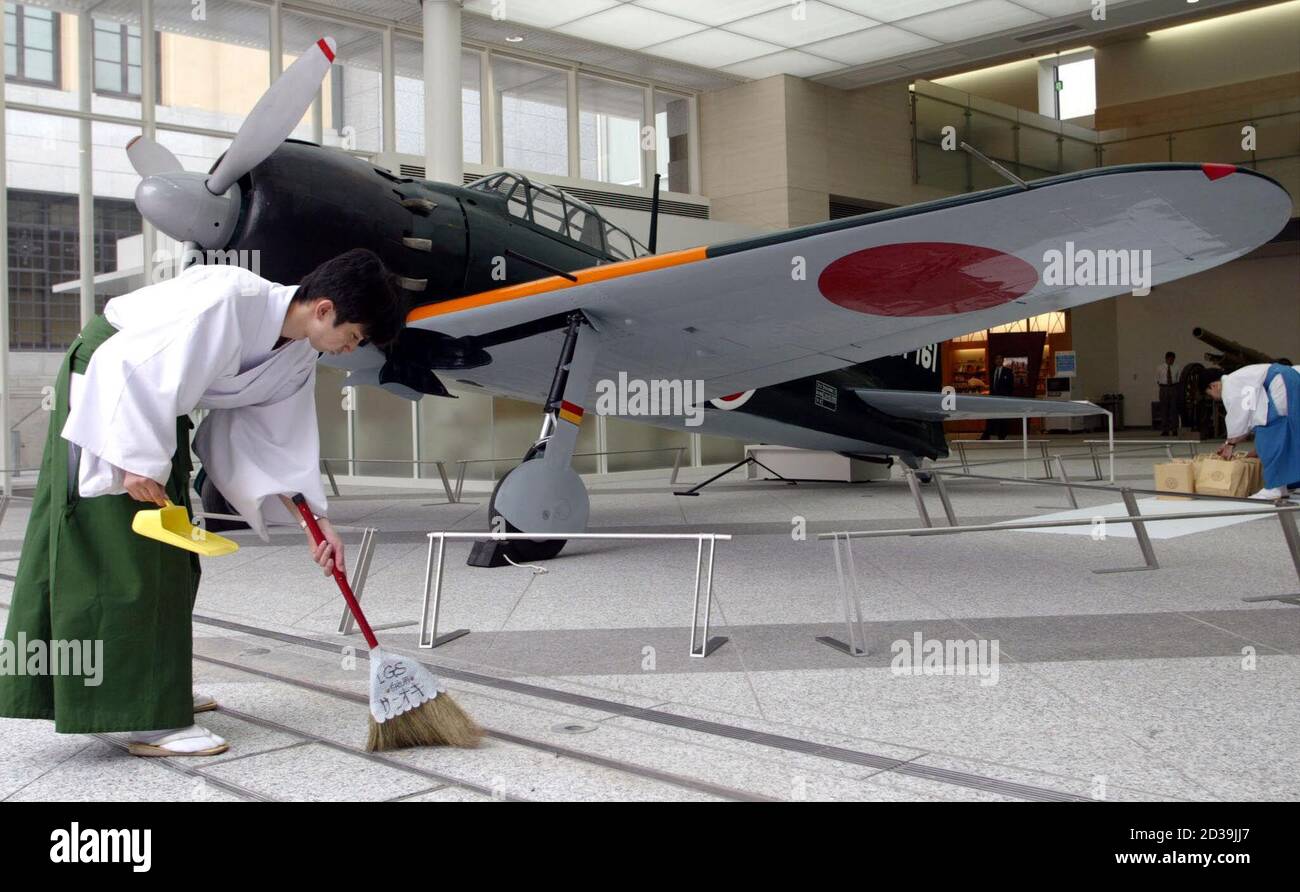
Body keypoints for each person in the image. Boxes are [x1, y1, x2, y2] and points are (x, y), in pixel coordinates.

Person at [0, 249, 405, 756]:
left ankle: (157, 686)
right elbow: (128, 363)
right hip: (110, 398)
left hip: (154, 414)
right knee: (120, 555)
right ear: (325, 309)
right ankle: (147, 715)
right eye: (355, 336)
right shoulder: (227, 300)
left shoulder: (300, 354)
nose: (351, 348)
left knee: (174, 557)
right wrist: (134, 459)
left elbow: (275, 441)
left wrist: (315, 522)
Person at [1204, 363, 1300, 500]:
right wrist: (1230, 442)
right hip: (1289, 379)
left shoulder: (1229, 387)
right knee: (1285, 432)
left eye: (1210, 395)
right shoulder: (1236, 379)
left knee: (1268, 432)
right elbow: (1248, 417)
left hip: (1280, 382)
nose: (1213, 398)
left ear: (1213, 386)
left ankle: (1274, 488)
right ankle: (1281, 486)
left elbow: (1239, 418)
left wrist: (1230, 444)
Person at [980, 355, 1015, 440]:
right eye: (997, 359)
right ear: (995, 361)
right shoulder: (992, 371)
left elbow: (1011, 387)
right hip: (993, 398)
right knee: (991, 416)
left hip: (1003, 399)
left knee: (1003, 417)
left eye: (1000, 358)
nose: (998, 360)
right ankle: (987, 435)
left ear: (1003, 360)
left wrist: (1007, 398)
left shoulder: (1008, 371)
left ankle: (1002, 435)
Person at [1156, 351, 1182, 436]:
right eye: (1170, 359)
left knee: (1174, 409)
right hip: (1163, 388)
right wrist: (1163, 386)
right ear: (1166, 359)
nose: (1172, 361)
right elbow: (1157, 379)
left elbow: (1178, 379)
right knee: (1164, 410)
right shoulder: (1160, 367)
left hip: (1173, 387)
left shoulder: (1177, 367)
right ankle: (1165, 430)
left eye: (1173, 360)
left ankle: (1174, 429)